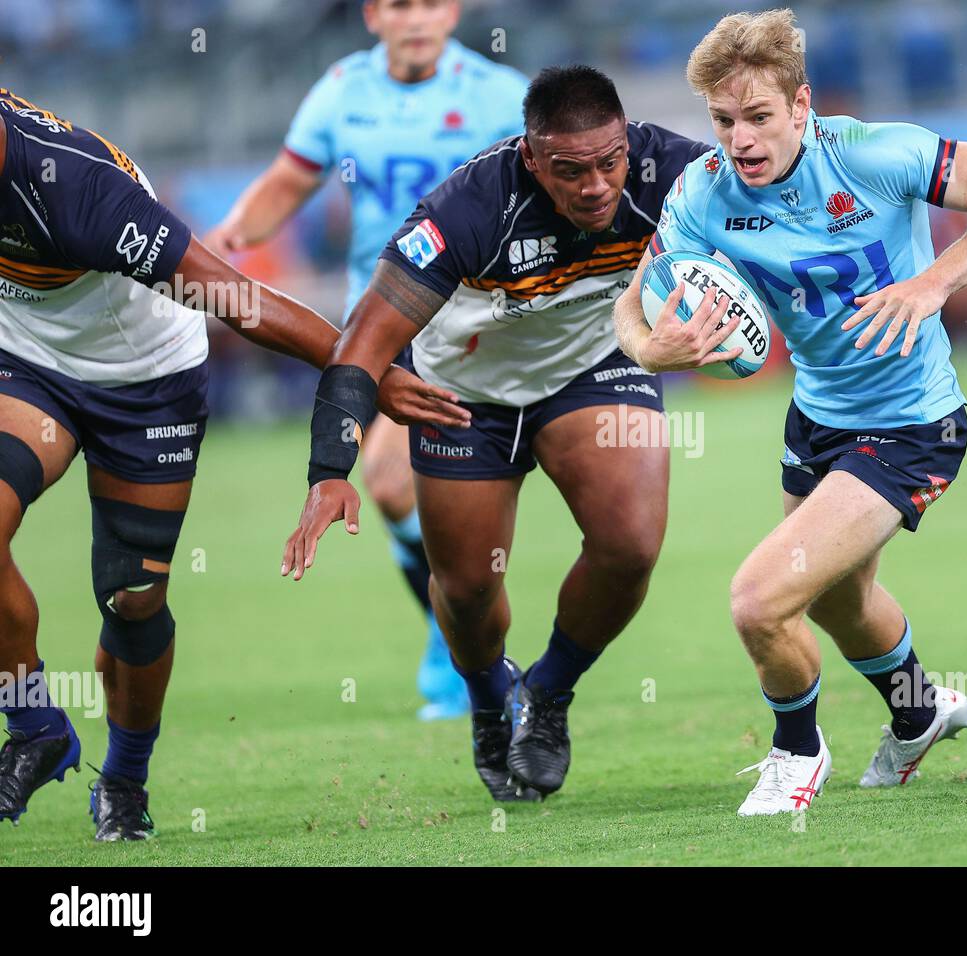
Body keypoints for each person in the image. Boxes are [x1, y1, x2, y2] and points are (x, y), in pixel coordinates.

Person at [613, 9, 967, 815]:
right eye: (723, 121)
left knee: (759, 600)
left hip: (913, 425)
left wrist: (934, 282)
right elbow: (634, 296)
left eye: (758, 117)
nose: (740, 140)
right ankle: (919, 712)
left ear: (801, 106)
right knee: (834, 598)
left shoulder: (872, 155)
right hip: (817, 418)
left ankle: (796, 756)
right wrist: (649, 350)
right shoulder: (704, 193)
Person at [0, 89, 455, 839]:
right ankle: (34, 726)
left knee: (132, 600)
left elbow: (240, 301)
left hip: (143, 379)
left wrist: (364, 372)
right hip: (25, 364)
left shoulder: (79, 191)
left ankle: (125, 779)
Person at [282, 66, 723, 801]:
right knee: (467, 591)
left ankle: (546, 696)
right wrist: (330, 469)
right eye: (569, 171)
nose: (594, 186)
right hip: (463, 395)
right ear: (531, 157)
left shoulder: (672, 172)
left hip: (592, 367)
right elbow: (361, 344)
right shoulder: (464, 210)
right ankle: (492, 700)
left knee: (631, 544)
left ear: (626, 144)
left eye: (608, 163)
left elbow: (776, 222)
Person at [207, 0, 528, 720]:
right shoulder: (342, 90)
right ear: (371, 14)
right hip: (384, 322)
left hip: (482, 320)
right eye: (398, 4)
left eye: (430, 3)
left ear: (455, 10)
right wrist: (231, 234)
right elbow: (288, 181)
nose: (416, 18)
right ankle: (457, 645)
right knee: (388, 486)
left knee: (485, 490)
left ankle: (473, 640)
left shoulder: (498, 94)